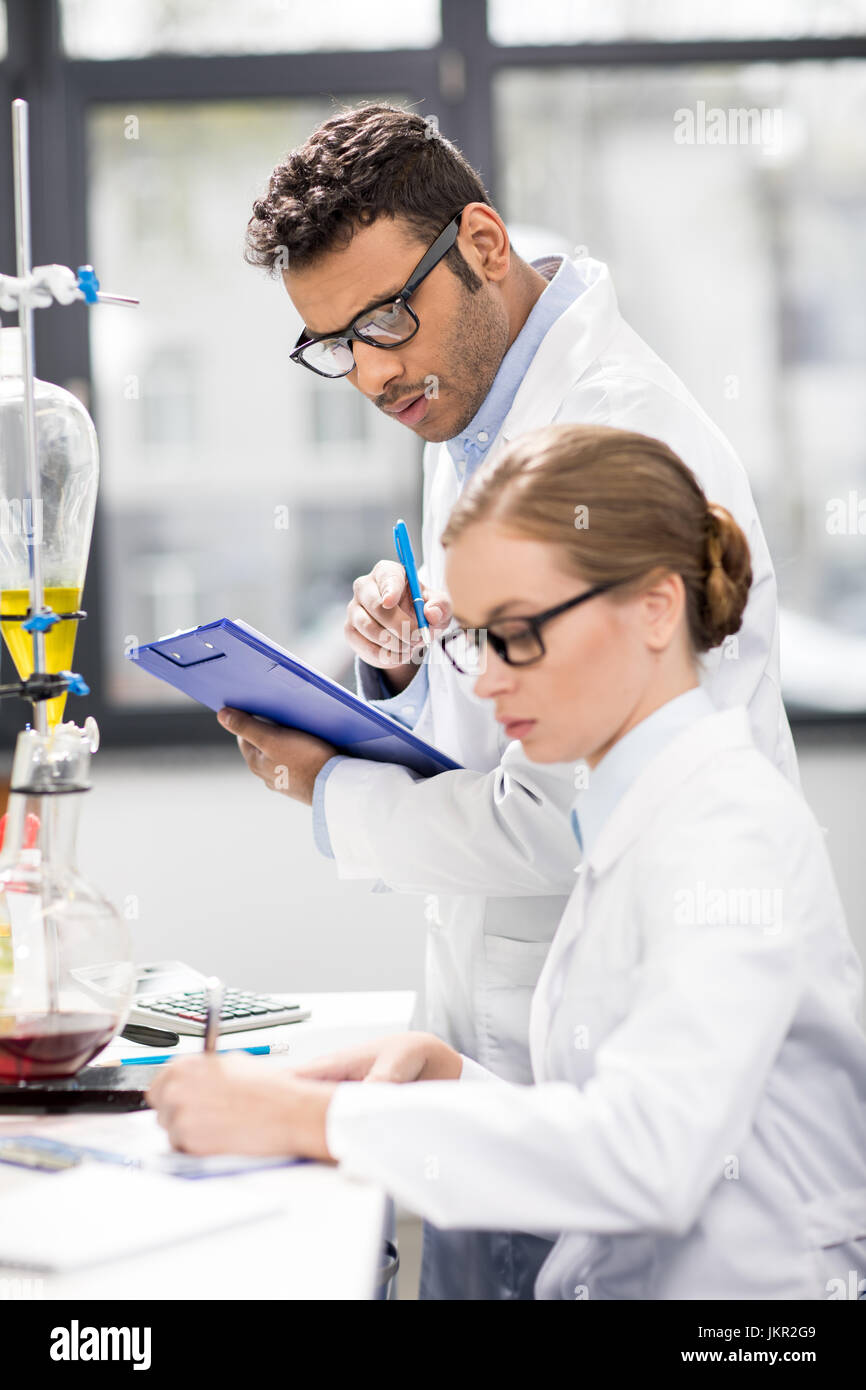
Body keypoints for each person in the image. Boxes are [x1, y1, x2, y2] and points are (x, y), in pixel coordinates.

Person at [220, 103, 800, 1299]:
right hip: (505, 1059)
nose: (371, 371)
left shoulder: (617, 445)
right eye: (334, 343)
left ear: (481, 244)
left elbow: (562, 815)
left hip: (617, 1137)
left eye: (383, 321)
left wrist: (328, 789)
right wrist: (408, 659)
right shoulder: (466, 396)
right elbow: (503, 705)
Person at [151, 424, 866, 1301]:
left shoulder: (728, 833)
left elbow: (646, 1156)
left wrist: (315, 1119)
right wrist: (455, 1080)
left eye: (518, 636)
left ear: (654, 607)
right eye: (477, 641)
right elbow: (617, 1114)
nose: (486, 685)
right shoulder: (635, 812)